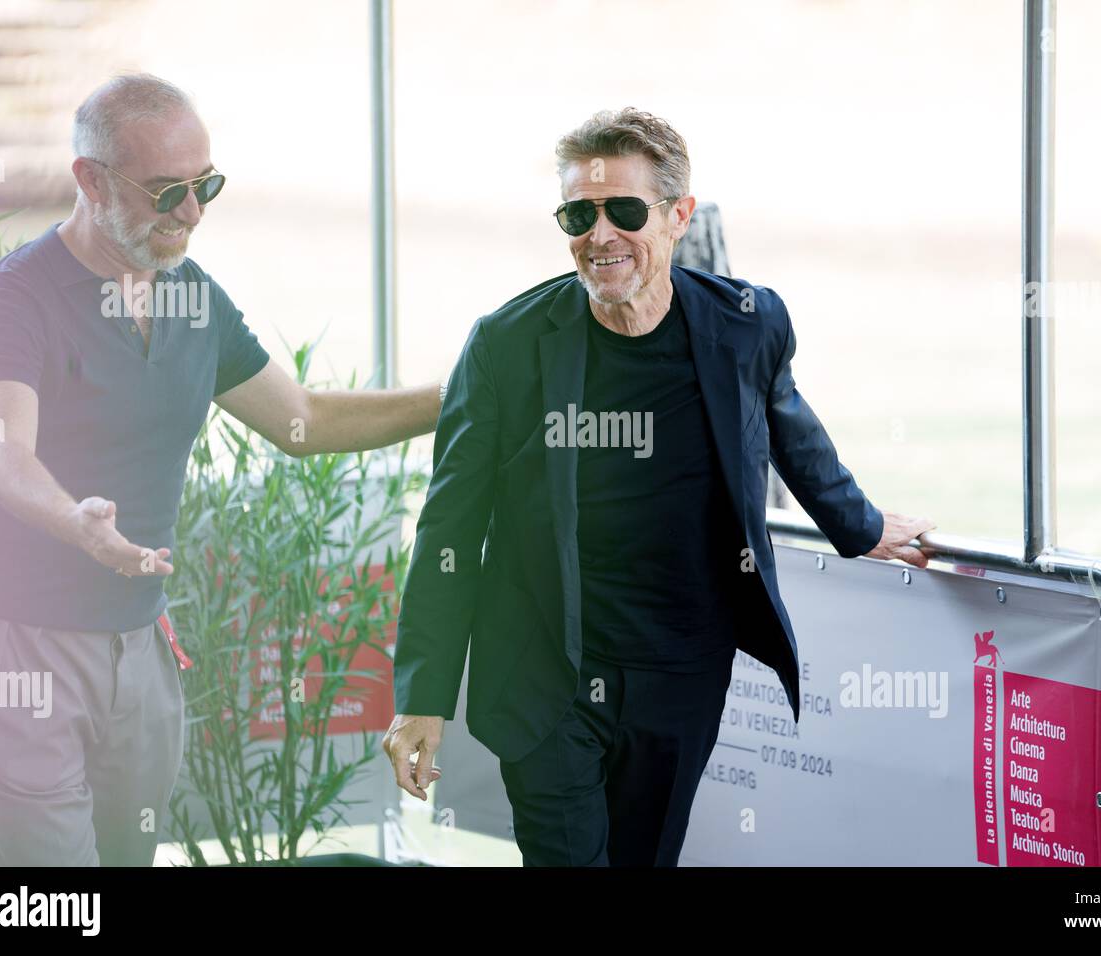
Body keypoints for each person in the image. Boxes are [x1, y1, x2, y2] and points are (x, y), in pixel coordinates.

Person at [383, 107, 936, 866]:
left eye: (625, 211)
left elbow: (790, 430)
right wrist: (422, 696)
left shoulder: (747, 324)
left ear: (679, 217)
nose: (599, 233)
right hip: (550, 680)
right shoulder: (507, 345)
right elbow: (448, 527)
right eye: (579, 212)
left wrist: (861, 525)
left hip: (682, 673)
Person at [0, 73, 443, 866]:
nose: (192, 213)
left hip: (138, 642)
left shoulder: (192, 298)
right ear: (90, 179)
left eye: (206, 185)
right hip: (17, 646)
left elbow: (302, 422)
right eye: (166, 192)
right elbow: (3, 455)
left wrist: (457, 402)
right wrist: (76, 523)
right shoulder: (13, 295)